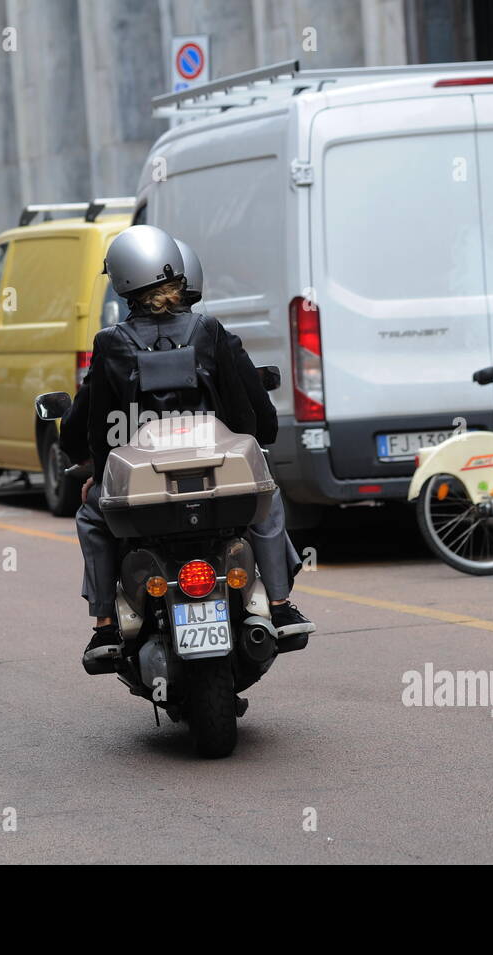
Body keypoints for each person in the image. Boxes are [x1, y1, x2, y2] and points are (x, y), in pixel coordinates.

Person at [60, 226, 313, 673]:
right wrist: (250, 445)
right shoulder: (210, 331)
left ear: (120, 281)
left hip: (145, 493)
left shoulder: (110, 343)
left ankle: (103, 624)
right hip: (219, 484)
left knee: (92, 516)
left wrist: (96, 476)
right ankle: (280, 604)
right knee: (265, 502)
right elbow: (248, 415)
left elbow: (98, 427)